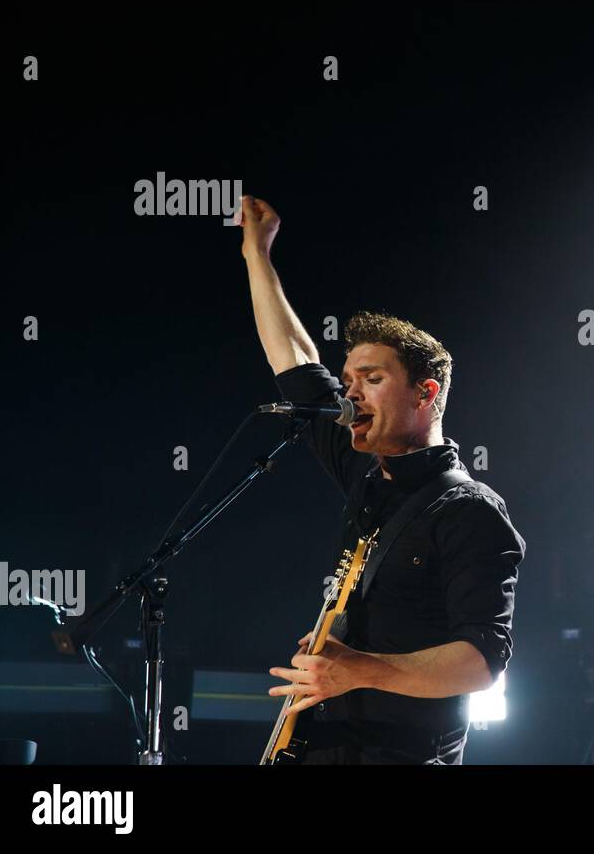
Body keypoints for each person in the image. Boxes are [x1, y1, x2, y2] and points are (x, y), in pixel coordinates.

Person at [238, 195, 525, 764]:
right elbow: (297, 367)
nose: (349, 393)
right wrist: (256, 253)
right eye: (348, 380)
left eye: (370, 378)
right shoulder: (366, 477)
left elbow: (481, 662)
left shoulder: (469, 510)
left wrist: (356, 670)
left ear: (426, 393)